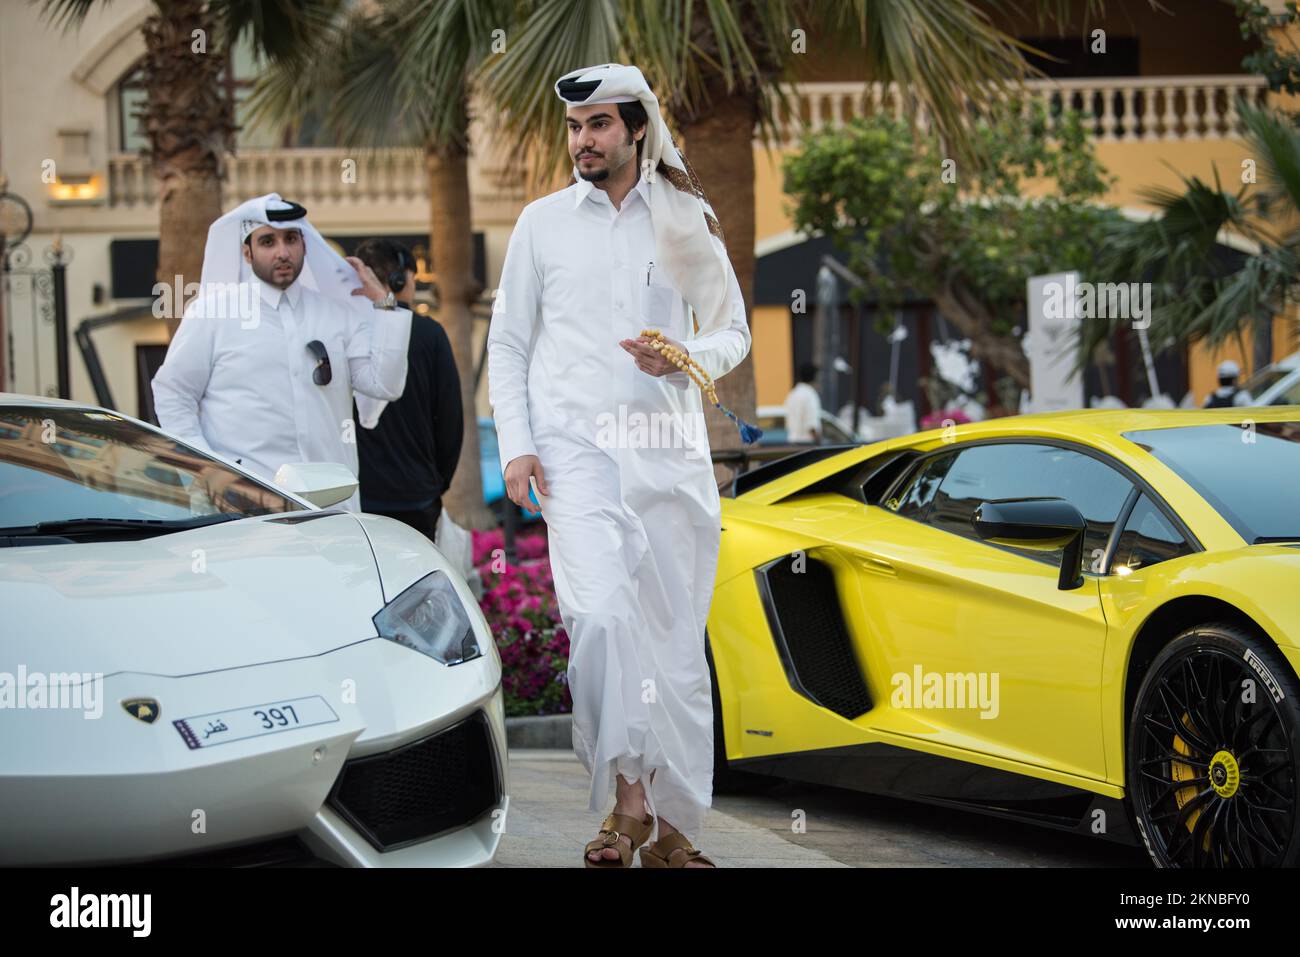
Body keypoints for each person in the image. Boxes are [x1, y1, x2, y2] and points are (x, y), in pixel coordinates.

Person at [486, 62, 751, 868]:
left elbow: (733, 330)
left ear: (637, 128)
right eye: (574, 127)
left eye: (598, 125)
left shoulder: (685, 219)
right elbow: (509, 341)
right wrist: (518, 443)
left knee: (672, 646)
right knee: (599, 620)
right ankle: (627, 799)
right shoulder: (539, 224)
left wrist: (684, 358)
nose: (583, 141)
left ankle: (672, 828)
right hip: (575, 455)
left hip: (667, 457)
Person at [152, 194, 412, 512]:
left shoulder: (336, 314)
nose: (282, 252)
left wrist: (386, 307)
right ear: (247, 253)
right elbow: (172, 393)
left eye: (291, 239)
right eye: (268, 242)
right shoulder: (213, 313)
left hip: (331, 506)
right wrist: (207, 470)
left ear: (305, 244)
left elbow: (385, 386)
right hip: (243, 507)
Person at [349, 238, 463, 542]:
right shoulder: (430, 333)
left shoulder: (346, 329)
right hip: (416, 494)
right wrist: (437, 483)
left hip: (359, 494)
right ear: (400, 279)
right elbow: (450, 417)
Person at [783, 361, 822, 442]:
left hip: (791, 443)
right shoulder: (810, 395)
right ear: (814, 377)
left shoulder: (792, 394)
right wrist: (819, 442)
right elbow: (811, 426)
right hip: (807, 445)